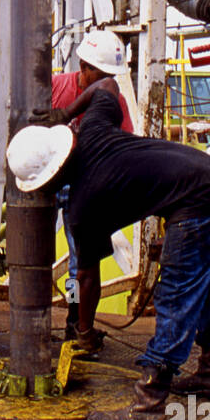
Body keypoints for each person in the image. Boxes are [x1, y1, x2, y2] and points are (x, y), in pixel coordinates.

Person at [6, 79, 210, 420]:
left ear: (47, 182)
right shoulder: (95, 128)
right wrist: (66, 112)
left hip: (197, 202)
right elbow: (106, 84)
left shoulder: (84, 206)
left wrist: (83, 332)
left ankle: (149, 403)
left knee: (176, 294)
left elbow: (85, 277)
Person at [50, 30, 133, 338]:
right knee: (33, 255)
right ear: (83, 67)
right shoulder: (57, 88)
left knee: (79, 265)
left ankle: (75, 319)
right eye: (100, 76)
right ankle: (33, 320)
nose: (106, 85)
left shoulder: (116, 102)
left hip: (83, 189)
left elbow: (123, 147)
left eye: (110, 77)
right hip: (48, 182)